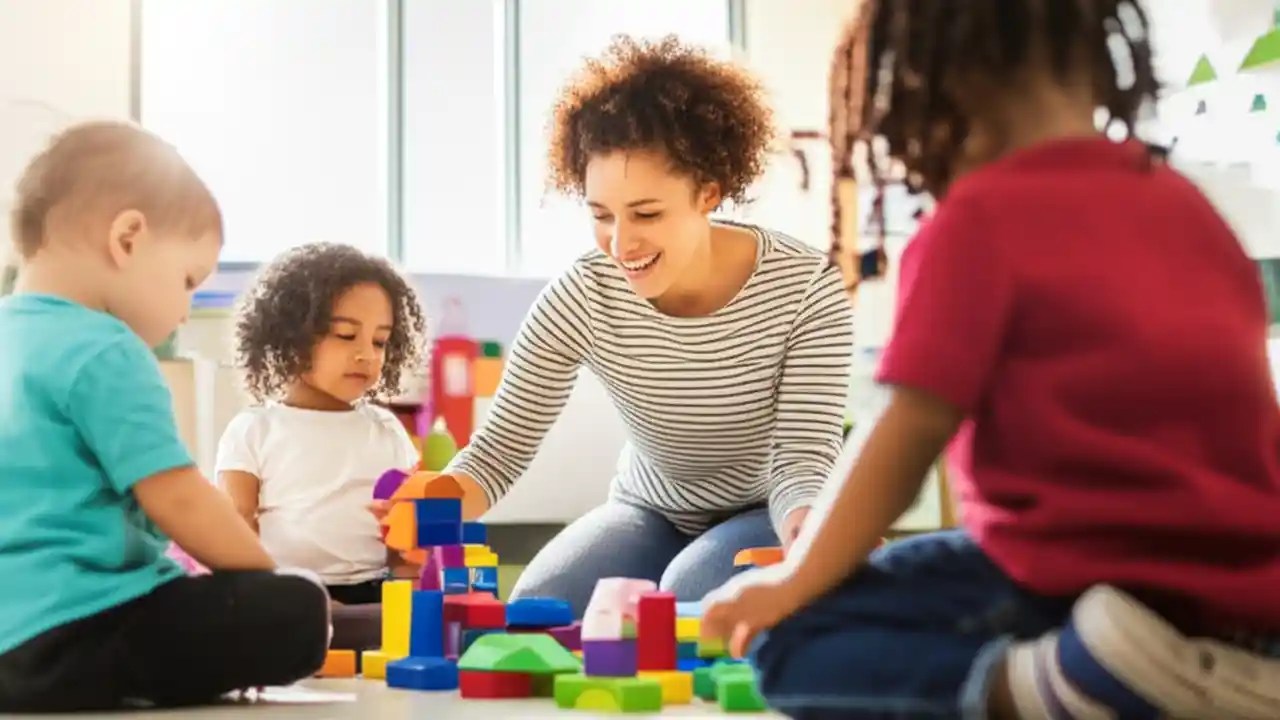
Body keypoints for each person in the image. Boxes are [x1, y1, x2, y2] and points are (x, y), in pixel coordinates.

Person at [701, 1, 1280, 719]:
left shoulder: (979, 219)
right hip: (1249, 588)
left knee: (791, 644)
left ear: (930, 88)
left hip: (1082, 577)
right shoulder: (1191, 209)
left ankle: (1056, 687)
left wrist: (790, 583)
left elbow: (905, 435)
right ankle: (1201, 667)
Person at [376, 35, 853, 616]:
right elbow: (499, 451)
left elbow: (804, 458)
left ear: (708, 193)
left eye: (646, 214)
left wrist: (808, 531)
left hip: (767, 510)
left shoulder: (806, 288)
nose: (621, 244)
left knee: (689, 599)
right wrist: (425, 512)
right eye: (601, 215)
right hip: (649, 508)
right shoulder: (583, 293)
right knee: (540, 608)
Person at [0, 121, 330, 712]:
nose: (184, 311)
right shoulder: (106, 348)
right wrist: (267, 574)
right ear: (128, 238)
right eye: (187, 281)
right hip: (76, 633)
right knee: (298, 608)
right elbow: (178, 498)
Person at [217, 242, 427, 605]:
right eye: (345, 335)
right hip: (286, 597)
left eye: (380, 341)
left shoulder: (387, 431)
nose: (367, 354)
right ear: (290, 337)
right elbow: (235, 531)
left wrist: (411, 592)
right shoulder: (253, 430)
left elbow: (404, 537)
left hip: (373, 596)